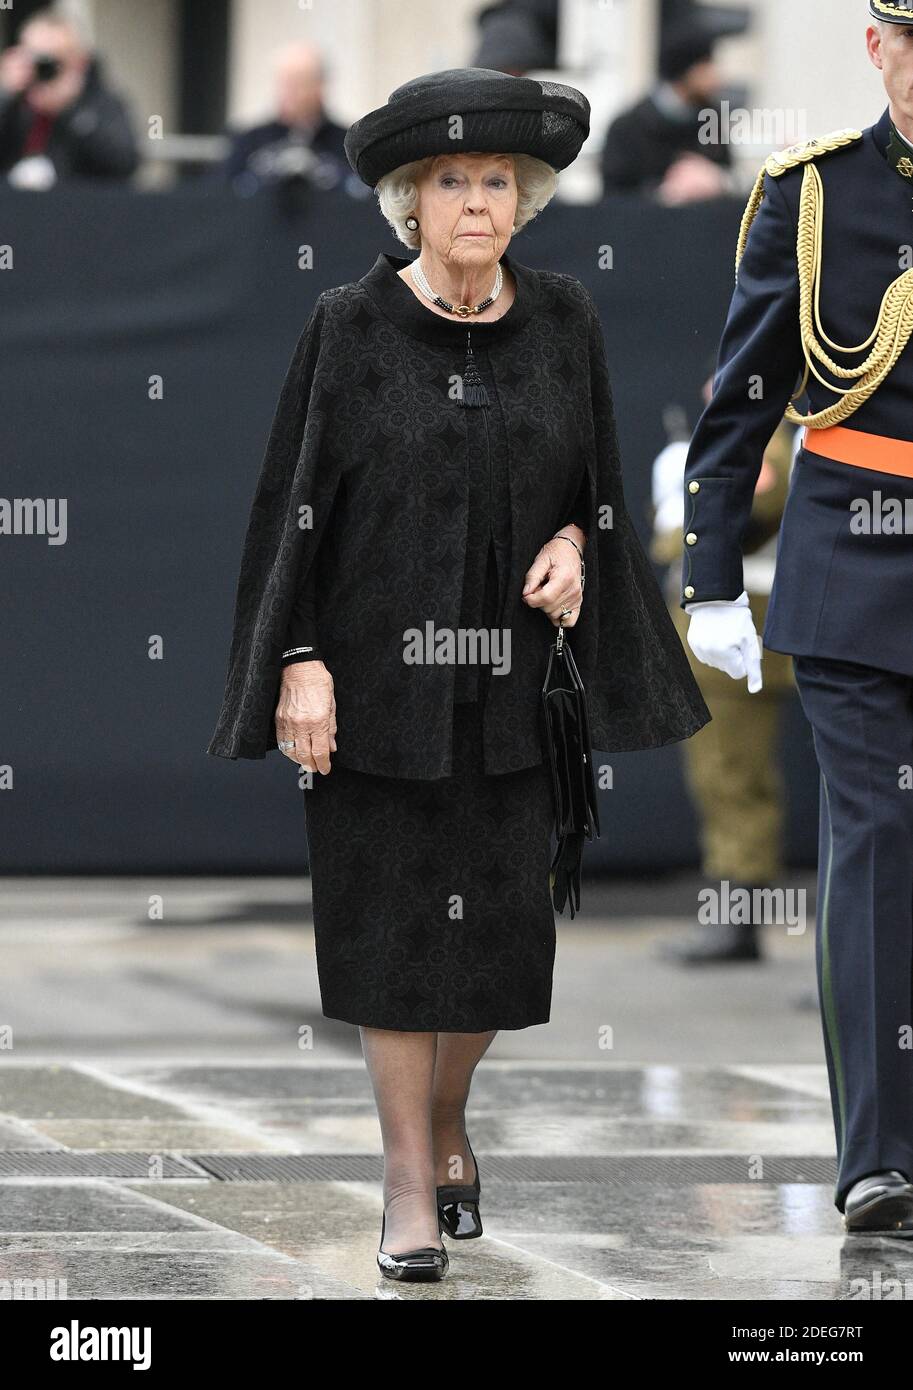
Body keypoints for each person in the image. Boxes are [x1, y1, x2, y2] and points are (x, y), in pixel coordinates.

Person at [207, 66, 709, 1283]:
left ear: (524, 198)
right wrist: (302, 663)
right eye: (450, 182)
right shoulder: (348, 326)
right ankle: (401, 1182)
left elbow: (589, 483)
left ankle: (444, 1114)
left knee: (493, 945)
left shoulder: (566, 319)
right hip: (370, 691)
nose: (476, 202)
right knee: (386, 938)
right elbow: (294, 514)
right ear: (408, 202)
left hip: (516, 694)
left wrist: (576, 545)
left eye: (496, 181)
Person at [680, 2, 913, 1236]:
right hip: (857, 557)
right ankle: (878, 1154)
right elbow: (747, 390)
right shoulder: (810, 194)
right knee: (872, 843)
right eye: (912, 45)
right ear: (876, 51)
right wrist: (709, 572)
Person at [651, 383, 795, 964]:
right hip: (737, 614)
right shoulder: (753, 435)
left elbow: (758, 507)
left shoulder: (767, 440)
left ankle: (740, 925)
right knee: (726, 775)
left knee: (732, 776)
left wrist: (693, 500)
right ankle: (740, 921)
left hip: (747, 613)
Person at [0, 8, 138, 187]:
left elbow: (123, 163)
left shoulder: (99, 103)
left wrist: (70, 111)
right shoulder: (14, 102)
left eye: (52, 63)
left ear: (79, 62)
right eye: (35, 62)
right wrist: (5, 95)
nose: (43, 72)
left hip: (76, 208)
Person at [601, 18, 733, 203]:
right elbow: (612, 199)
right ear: (688, 71)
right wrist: (665, 194)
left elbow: (728, 172)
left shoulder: (710, 118)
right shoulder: (628, 127)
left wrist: (717, 180)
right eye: (707, 65)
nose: (717, 77)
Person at [219, 42, 348, 195]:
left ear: (319, 86)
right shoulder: (249, 140)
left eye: (299, 82)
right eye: (285, 83)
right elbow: (221, 192)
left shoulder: (346, 141)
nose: (290, 91)